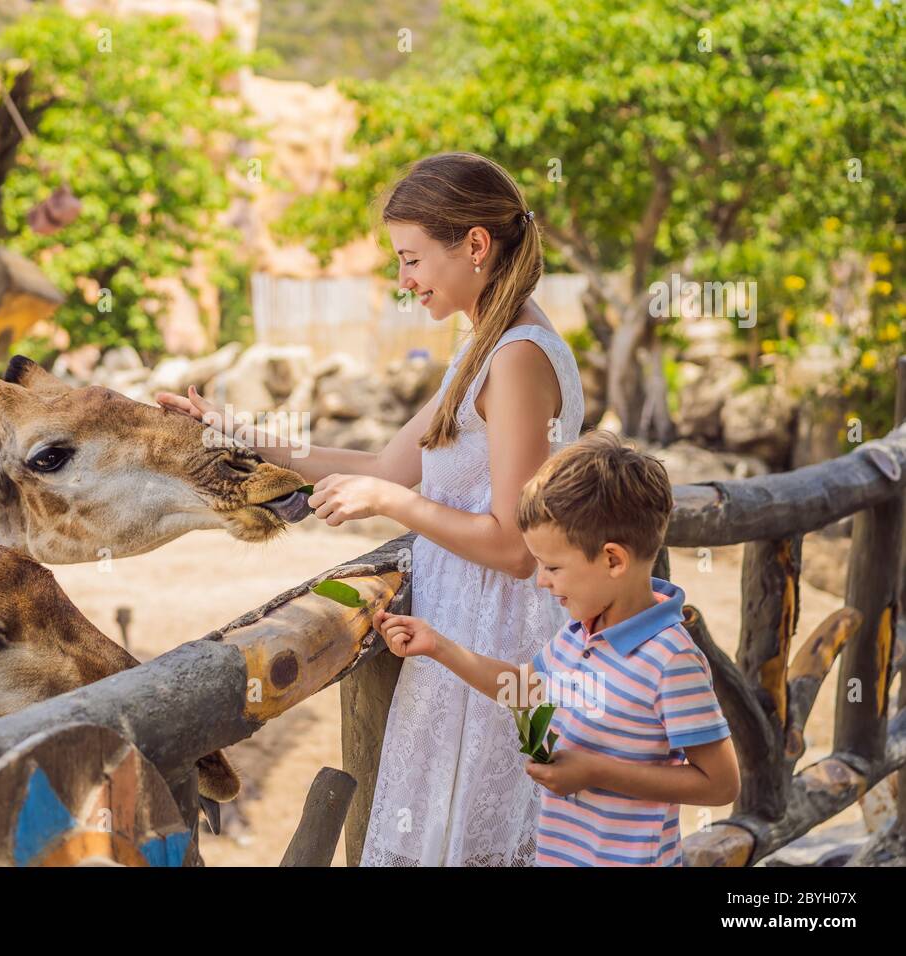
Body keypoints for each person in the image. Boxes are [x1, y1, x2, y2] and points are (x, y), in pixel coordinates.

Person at [157, 152, 584, 865]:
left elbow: (515, 546)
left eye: (412, 258)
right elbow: (385, 463)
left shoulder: (518, 359)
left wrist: (394, 505)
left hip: (494, 637)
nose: (404, 280)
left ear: (475, 245)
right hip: (459, 624)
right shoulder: (484, 345)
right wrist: (234, 431)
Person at [374, 432, 740, 866]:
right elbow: (525, 690)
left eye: (553, 567)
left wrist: (596, 773)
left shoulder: (670, 661)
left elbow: (720, 785)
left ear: (613, 561)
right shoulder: (577, 633)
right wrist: (439, 647)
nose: (542, 581)